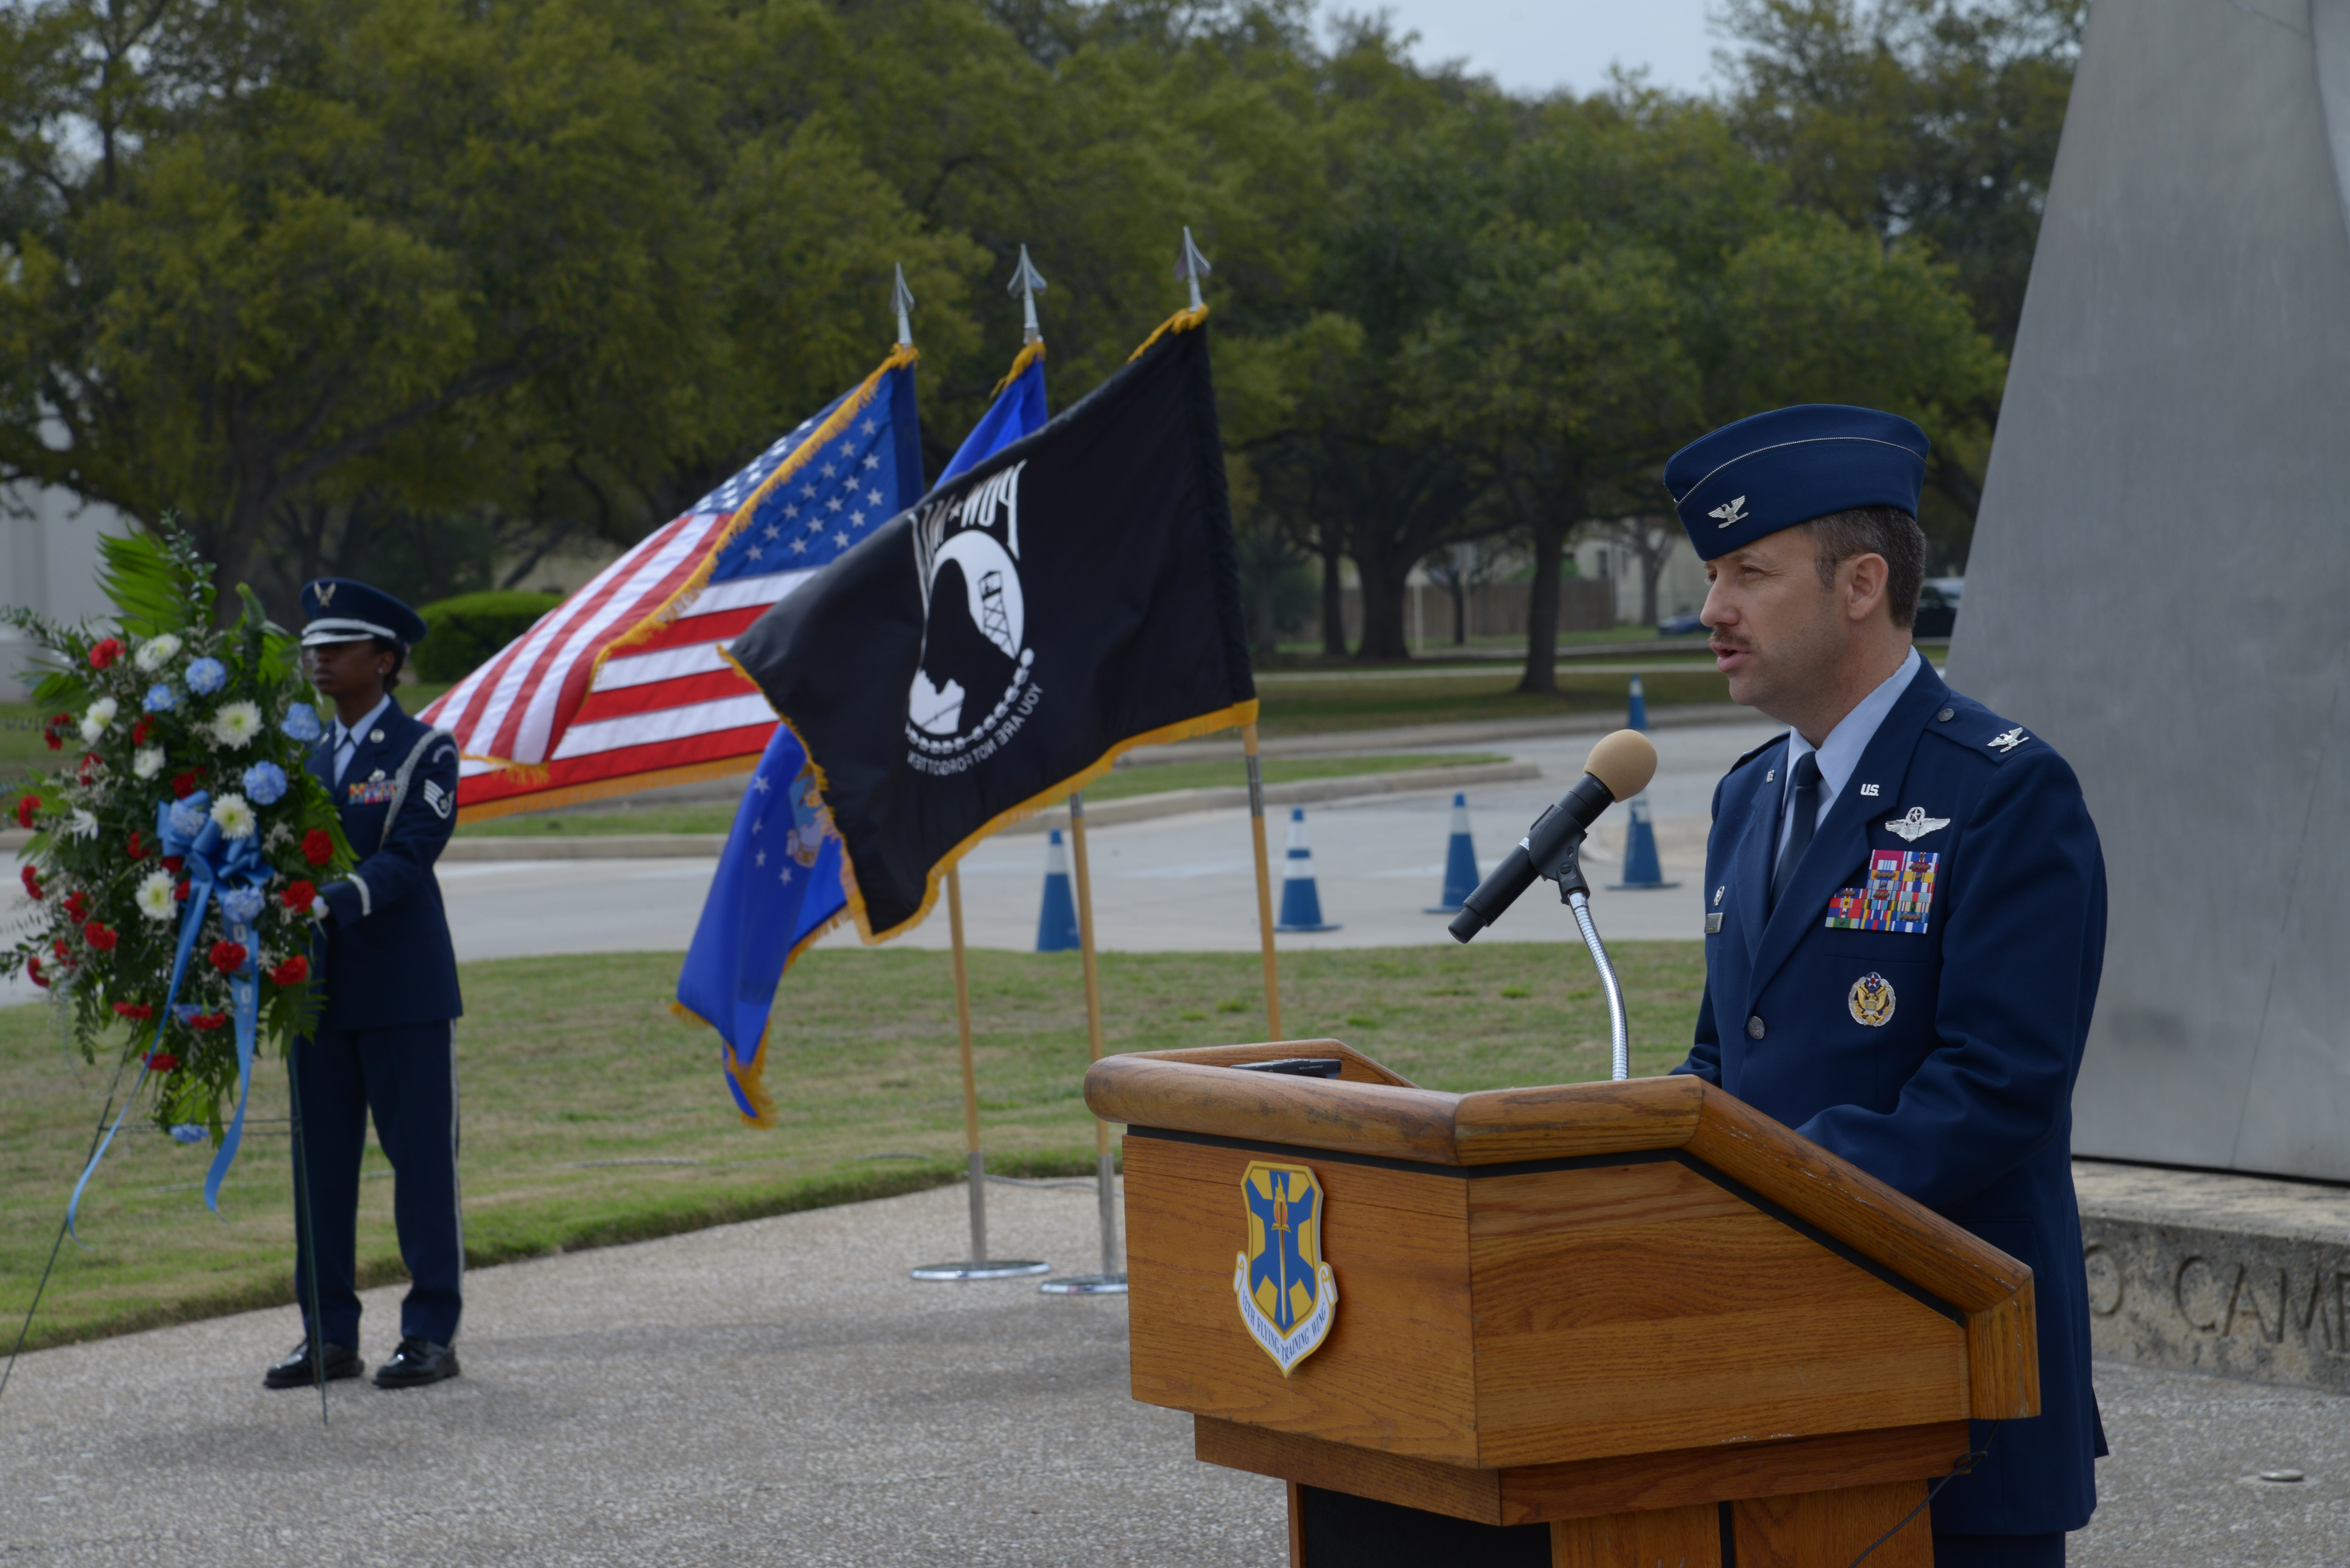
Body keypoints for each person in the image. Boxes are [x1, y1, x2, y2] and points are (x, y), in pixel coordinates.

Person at [1664, 405, 2107, 1567]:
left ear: (1862, 584)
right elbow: (1727, 1055)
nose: (1713, 610)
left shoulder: (2004, 793)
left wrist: (1767, 1198)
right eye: (1714, 575)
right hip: (1775, 1385)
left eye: (1748, 573)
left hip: (1953, 1392)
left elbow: (1995, 1087)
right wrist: (1639, 1155)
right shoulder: (1748, 799)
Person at [263, 580, 466, 1392]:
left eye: (340, 646)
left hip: (402, 990)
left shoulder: (427, 750)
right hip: (313, 994)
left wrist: (328, 899)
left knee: (420, 1164)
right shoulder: (296, 758)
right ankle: (329, 1334)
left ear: (383, 660)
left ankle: (430, 1332)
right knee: (320, 1169)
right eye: (314, 645)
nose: (319, 657)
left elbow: (410, 854)